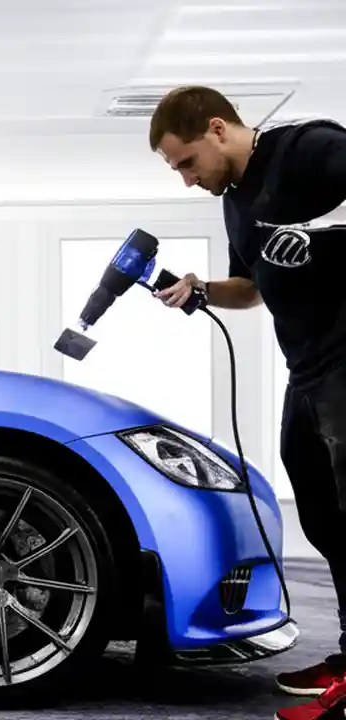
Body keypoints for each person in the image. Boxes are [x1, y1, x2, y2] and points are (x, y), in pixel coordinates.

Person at [148, 85, 346, 718]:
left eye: (185, 163)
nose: (186, 180)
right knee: (325, 518)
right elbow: (253, 288)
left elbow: (320, 244)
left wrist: (327, 244)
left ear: (216, 129)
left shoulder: (307, 150)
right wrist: (200, 289)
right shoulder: (234, 200)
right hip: (308, 370)